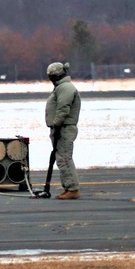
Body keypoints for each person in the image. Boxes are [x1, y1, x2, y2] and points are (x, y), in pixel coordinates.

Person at [45, 61, 81, 199]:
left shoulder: (65, 88)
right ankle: (68, 187)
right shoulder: (61, 87)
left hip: (64, 128)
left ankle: (72, 189)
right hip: (60, 128)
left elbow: (63, 108)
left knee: (65, 158)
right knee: (61, 159)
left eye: (52, 76)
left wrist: (56, 124)